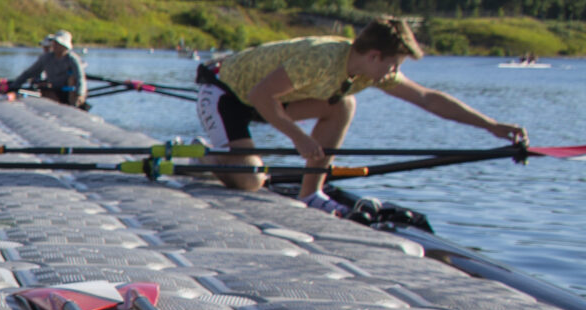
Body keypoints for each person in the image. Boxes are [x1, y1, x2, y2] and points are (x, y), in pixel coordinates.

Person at [198, 17, 527, 212]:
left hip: (267, 99)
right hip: (224, 93)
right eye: (394, 65)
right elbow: (260, 96)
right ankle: (207, 154)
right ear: (374, 56)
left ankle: (311, 193)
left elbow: (428, 100)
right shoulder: (321, 59)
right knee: (250, 181)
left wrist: (492, 126)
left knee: (343, 104)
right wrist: (298, 137)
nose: (394, 72)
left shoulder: (369, 71)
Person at [12, 30, 87, 107]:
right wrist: (14, 85)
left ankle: (75, 104)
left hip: (70, 91)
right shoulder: (46, 58)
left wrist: (80, 94)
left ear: (64, 46)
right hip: (54, 89)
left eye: (57, 43)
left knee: (72, 81)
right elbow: (29, 73)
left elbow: (80, 78)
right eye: (54, 43)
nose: (54, 45)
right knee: (43, 87)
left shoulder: (72, 59)